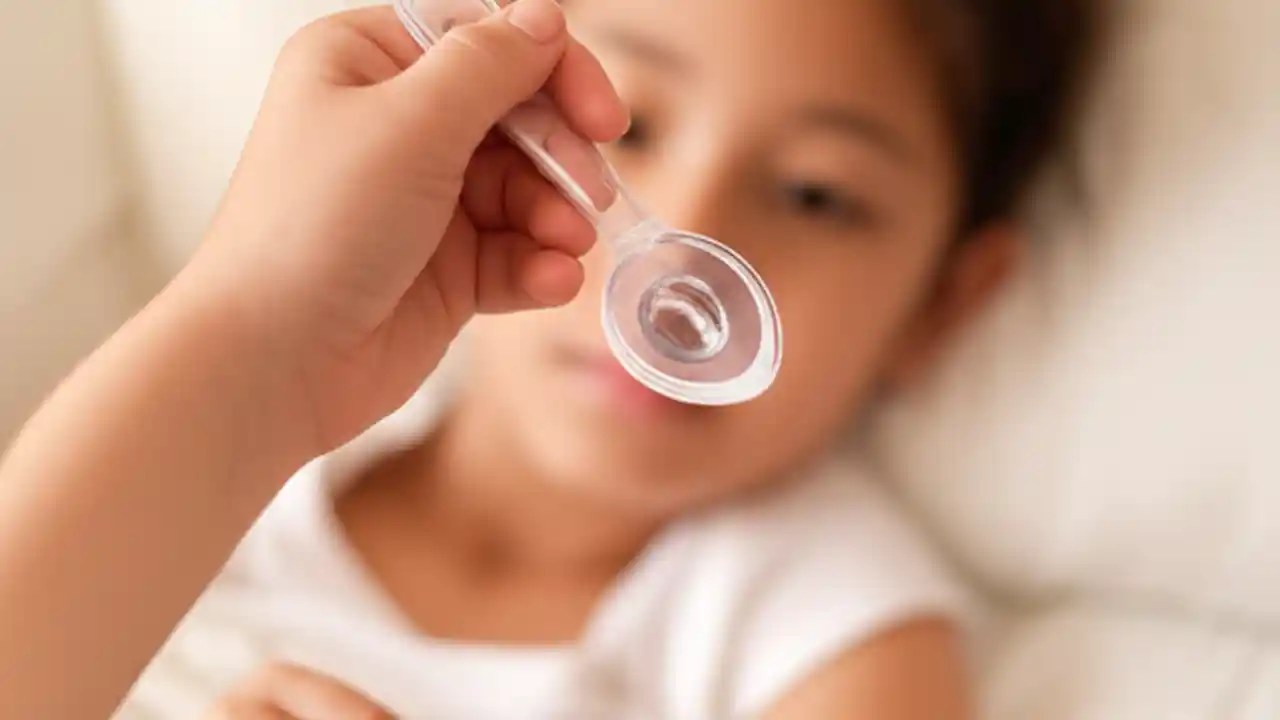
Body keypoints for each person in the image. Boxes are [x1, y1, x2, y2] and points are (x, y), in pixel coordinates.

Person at [0, 0, 1093, 717]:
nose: (688, 244)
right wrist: (257, 334)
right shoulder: (223, 446)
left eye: (815, 194)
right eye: (632, 128)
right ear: (489, 126)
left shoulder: (824, 624)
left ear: (941, 308)